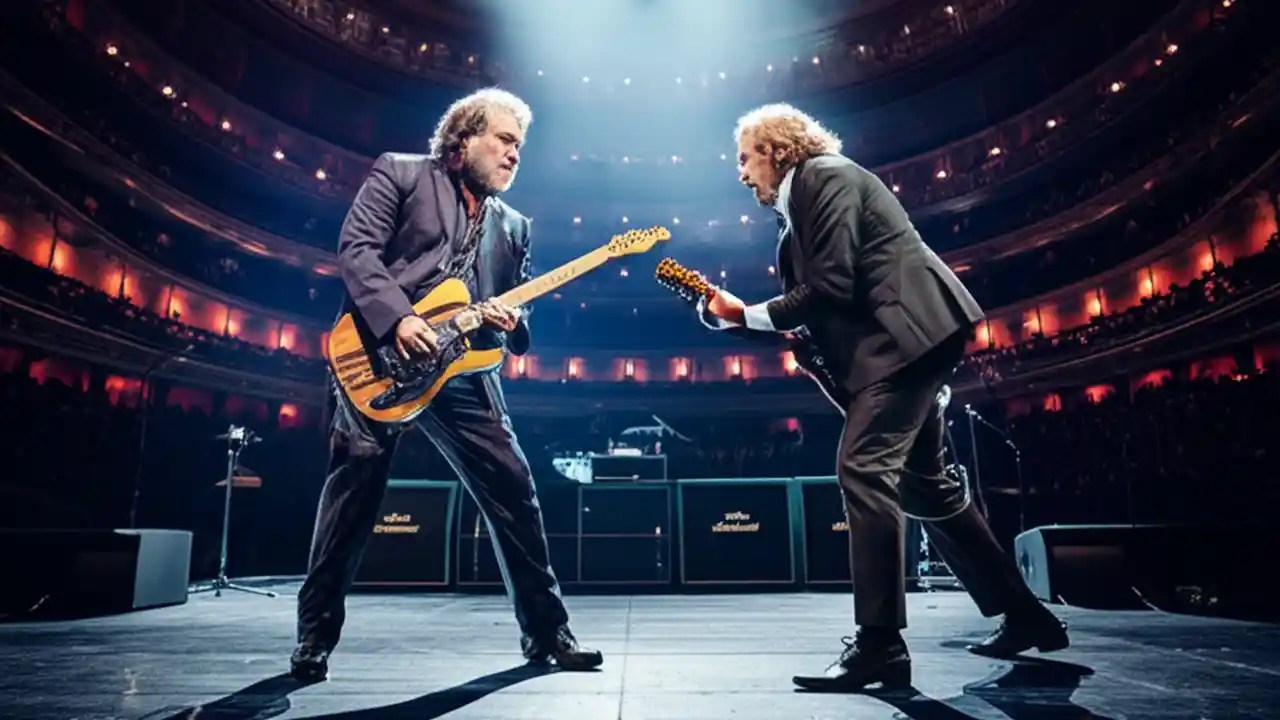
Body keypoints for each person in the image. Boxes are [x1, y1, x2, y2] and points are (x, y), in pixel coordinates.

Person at [697, 103, 1067, 691]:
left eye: (745, 158)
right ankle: (1024, 614)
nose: (741, 173)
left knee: (863, 469)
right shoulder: (801, 203)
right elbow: (823, 301)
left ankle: (880, 646)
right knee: (927, 486)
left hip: (906, 339)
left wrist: (746, 312)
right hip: (901, 344)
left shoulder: (824, 176)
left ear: (776, 148)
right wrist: (735, 320)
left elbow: (833, 285)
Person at [291, 88, 602, 681]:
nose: (515, 154)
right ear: (463, 141)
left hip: (463, 370)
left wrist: (515, 323)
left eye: (521, 146)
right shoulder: (401, 173)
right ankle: (313, 638)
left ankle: (546, 632)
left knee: (514, 490)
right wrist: (399, 318)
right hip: (380, 354)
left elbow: (515, 301)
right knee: (353, 494)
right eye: (505, 140)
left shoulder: (515, 226)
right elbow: (357, 251)